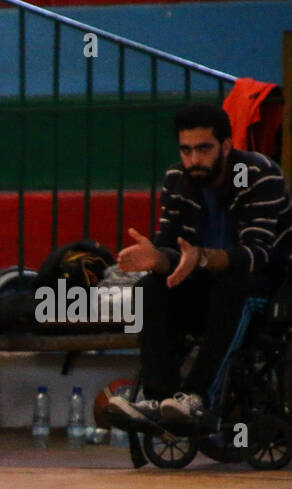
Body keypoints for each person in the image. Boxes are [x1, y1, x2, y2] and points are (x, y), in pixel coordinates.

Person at [108, 102, 292, 431]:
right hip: (206, 285)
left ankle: (196, 398)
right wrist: (158, 259)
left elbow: (257, 254)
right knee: (151, 286)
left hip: (267, 288)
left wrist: (202, 258)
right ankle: (157, 400)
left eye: (204, 149)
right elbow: (170, 246)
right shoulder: (178, 179)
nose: (194, 160)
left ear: (226, 145)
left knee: (234, 285)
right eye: (186, 150)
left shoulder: (257, 175)